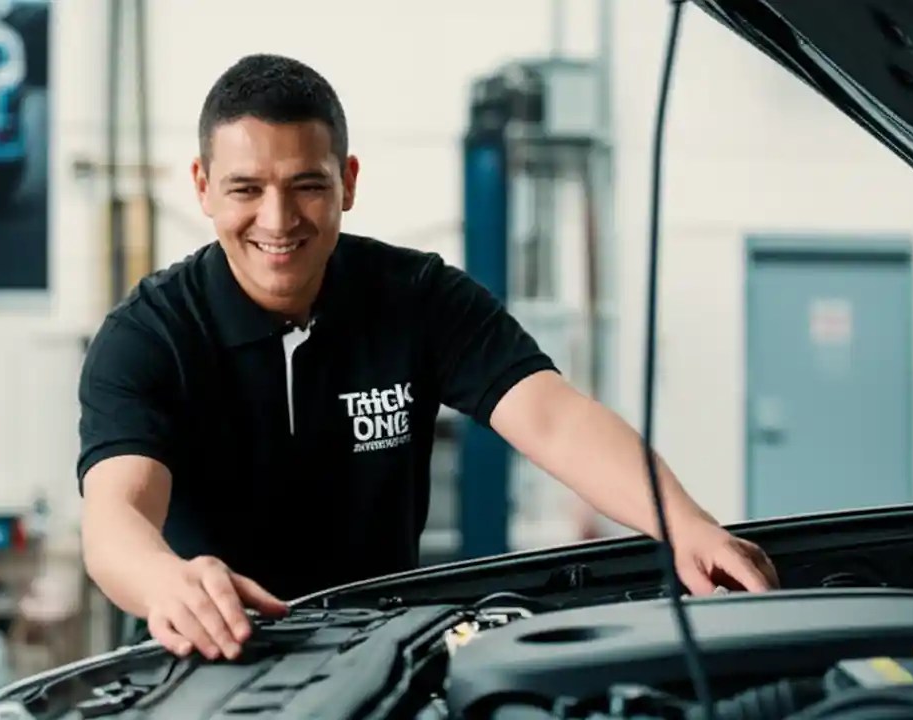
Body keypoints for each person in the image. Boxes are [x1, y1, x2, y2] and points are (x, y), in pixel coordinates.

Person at [76, 53, 779, 662]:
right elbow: (116, 513)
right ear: (202, 186)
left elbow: (554, 419)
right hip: (214, 663)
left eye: (307, 186)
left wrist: (682, 522)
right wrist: (163, 579)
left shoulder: (417, 298)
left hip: (387, 659)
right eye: (246, 188)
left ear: (347, 180)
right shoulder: (151, 335)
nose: (277, 219)